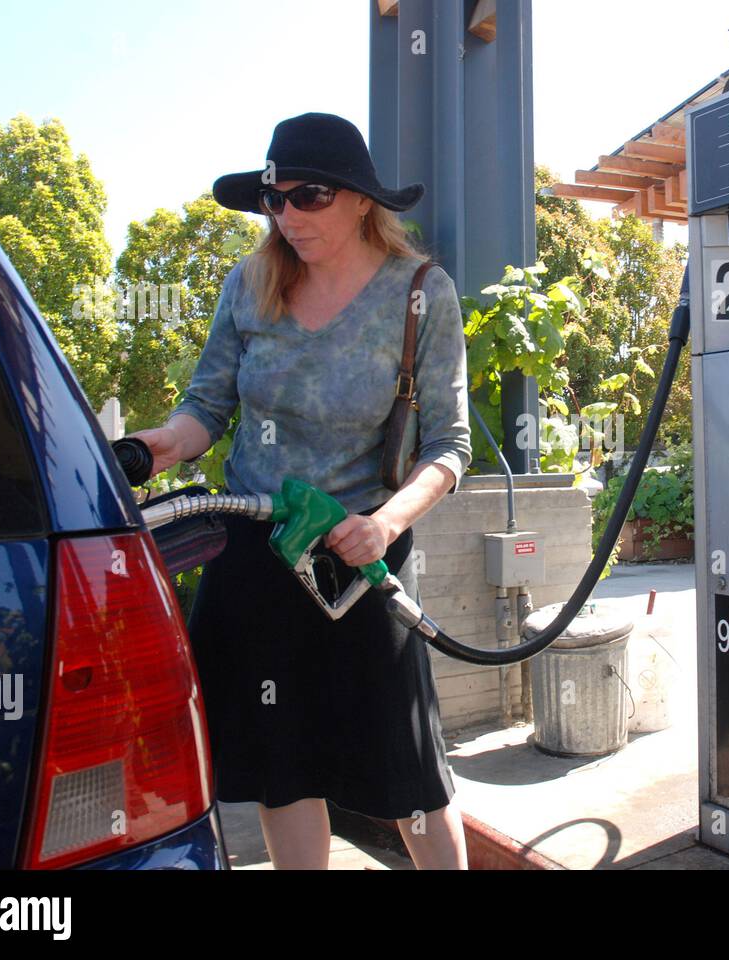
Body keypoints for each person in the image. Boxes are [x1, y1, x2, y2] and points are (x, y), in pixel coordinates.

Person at [129, 112, 471, 869]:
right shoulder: (251, 284)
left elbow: (450, 447)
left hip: (360, 566)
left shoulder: (419, 293)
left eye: (307, 196)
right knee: (282, 773)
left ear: (358, 200)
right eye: (274, 198)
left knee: (408, 778)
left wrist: (383, 525)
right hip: (258, 557)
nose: (287, 215)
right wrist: (159, 446)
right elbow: (206, 408)